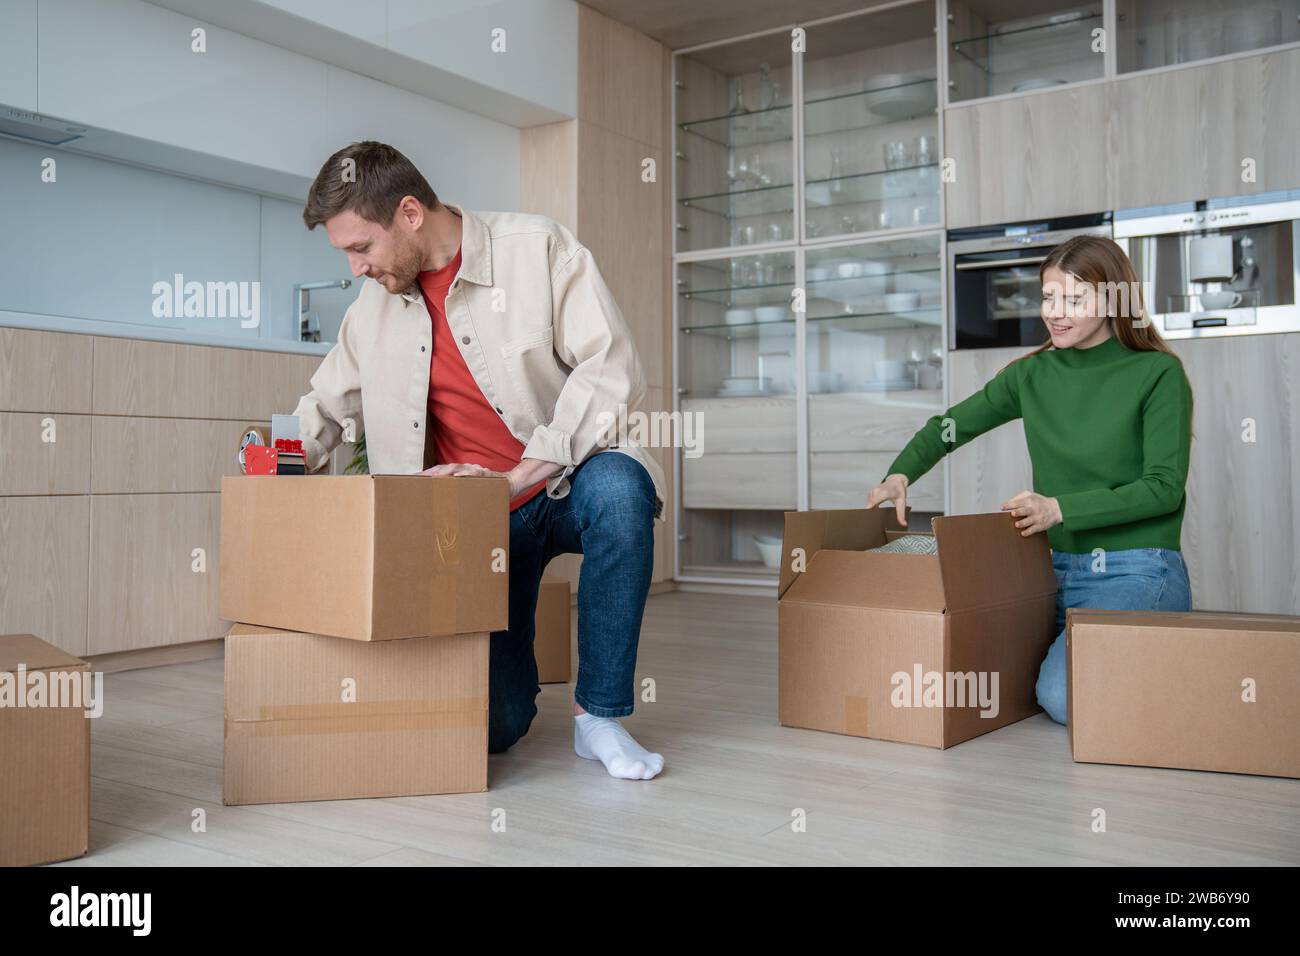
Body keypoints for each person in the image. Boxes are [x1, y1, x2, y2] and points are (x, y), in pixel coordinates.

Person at [290, 141, 667, 779]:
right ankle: (516, 699)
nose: (356, 268)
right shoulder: (372, 310)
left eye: (362, 248)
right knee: (494, 728)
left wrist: (519, 474)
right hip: (477, 525)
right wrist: (271, 463)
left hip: (566, 480)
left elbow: (614, 367)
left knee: (622, 494)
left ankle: (599, 717)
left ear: (409, 212)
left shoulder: (537, 250)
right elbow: (324, 410)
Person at [866, 236, 1194, 724]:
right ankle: (1139, 656)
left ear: (1113, 300)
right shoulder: (1032, 375)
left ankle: (1177, 659)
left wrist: (1060, 508)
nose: (1055, 313)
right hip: (1050, 569)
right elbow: (952, 426)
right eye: (1048, 297)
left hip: (1137, 569)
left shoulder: (1157, 373)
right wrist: (901, 471)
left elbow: (1164, 488)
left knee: (1061, 698)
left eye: (1075, 299)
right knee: (980, 680)